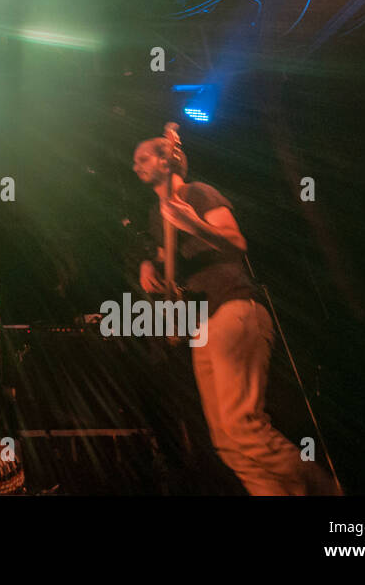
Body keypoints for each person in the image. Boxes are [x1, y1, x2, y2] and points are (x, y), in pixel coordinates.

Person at [132, 135, 325, 495]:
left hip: (233, 307)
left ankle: (324, 489)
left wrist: (195, 224)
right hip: (203, 326)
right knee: (227, 442)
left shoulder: (199, 193)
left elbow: (236, 242)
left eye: (143, 157)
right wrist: (150, 265)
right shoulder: (155, 215)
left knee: (243, 427)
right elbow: (167, 260)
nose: (135, 165)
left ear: (167, 159)